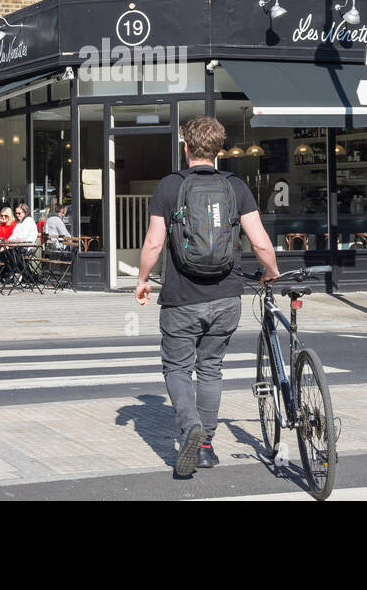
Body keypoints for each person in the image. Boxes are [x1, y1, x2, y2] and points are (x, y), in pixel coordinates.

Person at [136, 116, 279, 478]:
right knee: (211, 369)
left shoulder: (169, 186)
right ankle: (206, 445)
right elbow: (260, 240)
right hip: (227, 297)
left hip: (181, 298)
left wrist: (142, 280)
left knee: (177, 368)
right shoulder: (236, 187)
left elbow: (154, 242)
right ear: (218, 150)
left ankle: (190, 429)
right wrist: (271, 270)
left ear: (186, 147)